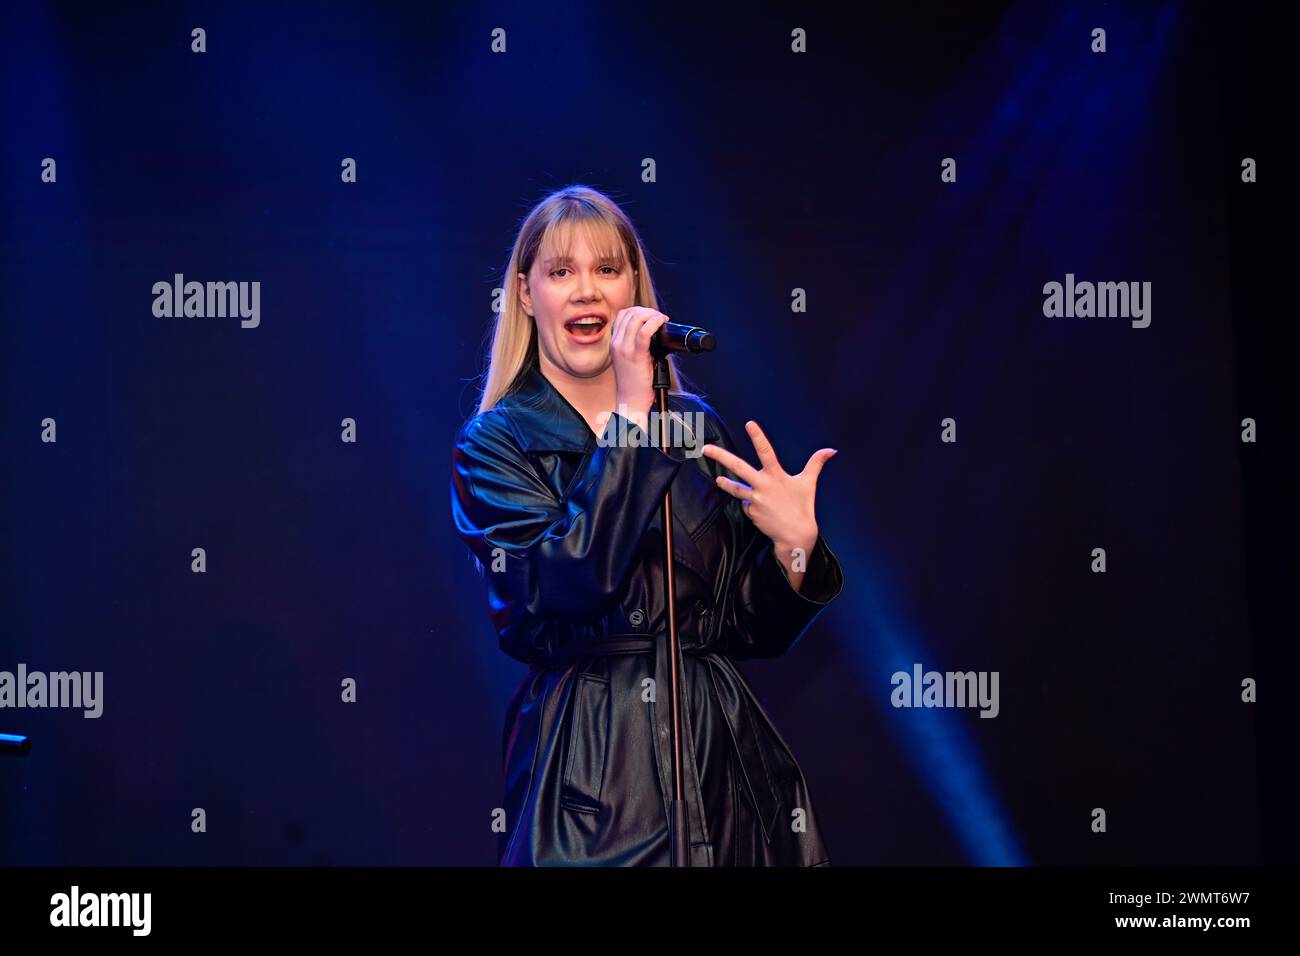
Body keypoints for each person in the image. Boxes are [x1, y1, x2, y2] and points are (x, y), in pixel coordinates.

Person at [450, 184, 845, 866]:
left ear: (635, 287)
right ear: (524, 293)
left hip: (717, 760)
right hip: (595, 768)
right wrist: (632, 425)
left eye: (607, 269)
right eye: (561, 271)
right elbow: (564, 581)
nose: (586, 291)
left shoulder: (693, 428)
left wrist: (794, 551)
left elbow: (746, 626)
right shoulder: (496, 444)